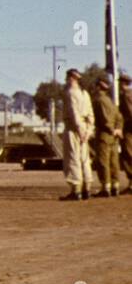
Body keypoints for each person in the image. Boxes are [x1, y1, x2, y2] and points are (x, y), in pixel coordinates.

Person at [60, 68, 94, 201]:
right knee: (85, 160)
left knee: (73, 158)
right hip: (85, 128)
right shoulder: (85, 94)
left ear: (71, 78)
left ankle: (76, 190)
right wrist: (88, 130)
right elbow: (91, 114)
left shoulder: (70, 93)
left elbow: (74, 113)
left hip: (73, 128)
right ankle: (88, 188)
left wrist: (79, 130)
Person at [91, 77, 121, 197]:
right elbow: (119, 117)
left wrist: (111, 129)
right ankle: (115, 185)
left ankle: (106, 187)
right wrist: (118, 130)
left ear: (98, 87)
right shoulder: (110, 101)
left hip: (104, 134)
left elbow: (105, 120)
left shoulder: (99, 100)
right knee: (114, 161)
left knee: (103, 161)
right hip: (114, 136)